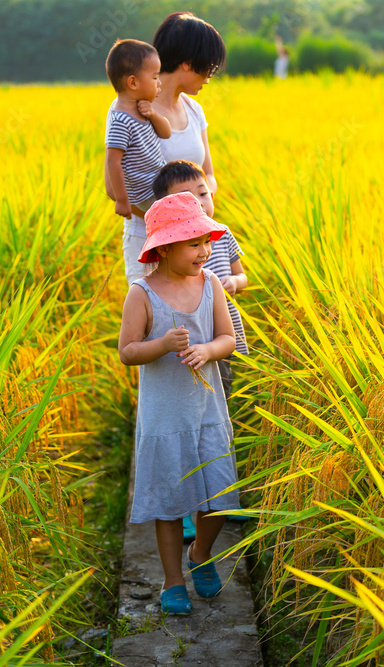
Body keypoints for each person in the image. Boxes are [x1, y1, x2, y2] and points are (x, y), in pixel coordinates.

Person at [118, 192, 241, 615]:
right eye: (193, 243)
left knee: (219, 493)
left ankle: (200, 554)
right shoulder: (142, 293)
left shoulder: (209, 285)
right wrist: (161, 345)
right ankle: (172, 580)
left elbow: (228, 337)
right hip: (165, 417)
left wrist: (208, 351)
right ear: (164, 248)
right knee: (169, 502)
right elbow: (127, 351)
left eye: (206, 241)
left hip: (207, 412)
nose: (204, 251)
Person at [107, 12, 227, 286]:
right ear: (187, 64)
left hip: (196, 242)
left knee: (198, 322)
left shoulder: (194, 110)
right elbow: (112, 187)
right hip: (149, 239)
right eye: (209, 67)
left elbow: (208, 174)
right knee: (153, 323)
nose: (210, 77)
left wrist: (199, 209)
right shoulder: (130, 111)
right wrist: (169, 224)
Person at [152, 160, 248, 400]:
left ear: (212, 193)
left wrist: (235, 283)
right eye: (187, 198)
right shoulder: (171, 247)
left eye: (203, 194)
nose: (199, 203)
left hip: (220, 329)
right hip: (188, 329)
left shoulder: (222, 234)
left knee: (220, 387)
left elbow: (242, 275)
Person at [104, 38, 171, 269]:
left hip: (159, 183)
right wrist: (122, 201)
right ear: (133, 82)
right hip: (143, 193)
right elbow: (113, 162)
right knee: (172, 223)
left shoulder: (143, 109)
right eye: (154, 77)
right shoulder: (120, 120)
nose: (159, 83)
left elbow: (166, 133)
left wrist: (153, 114)